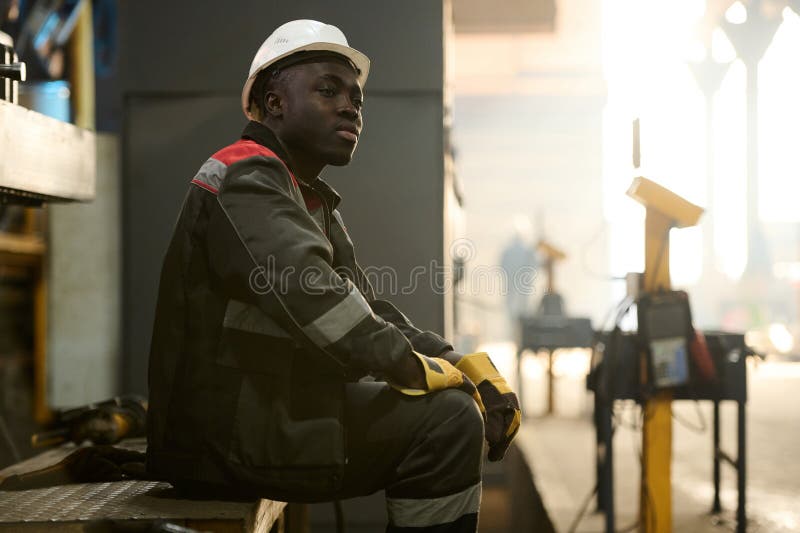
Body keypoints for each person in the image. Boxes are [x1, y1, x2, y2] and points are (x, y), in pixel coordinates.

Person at [146, 19, 520, 532]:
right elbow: (321, 303)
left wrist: (458, 362)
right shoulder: (245, 176)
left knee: (454, 406)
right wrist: (419, 372)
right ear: (274, 102)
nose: (351, 107)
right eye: (328, 90)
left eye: (357, 99)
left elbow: (367, 311)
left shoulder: (307, 198)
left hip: (272, 414)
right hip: (226, 437)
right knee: (450, 421)